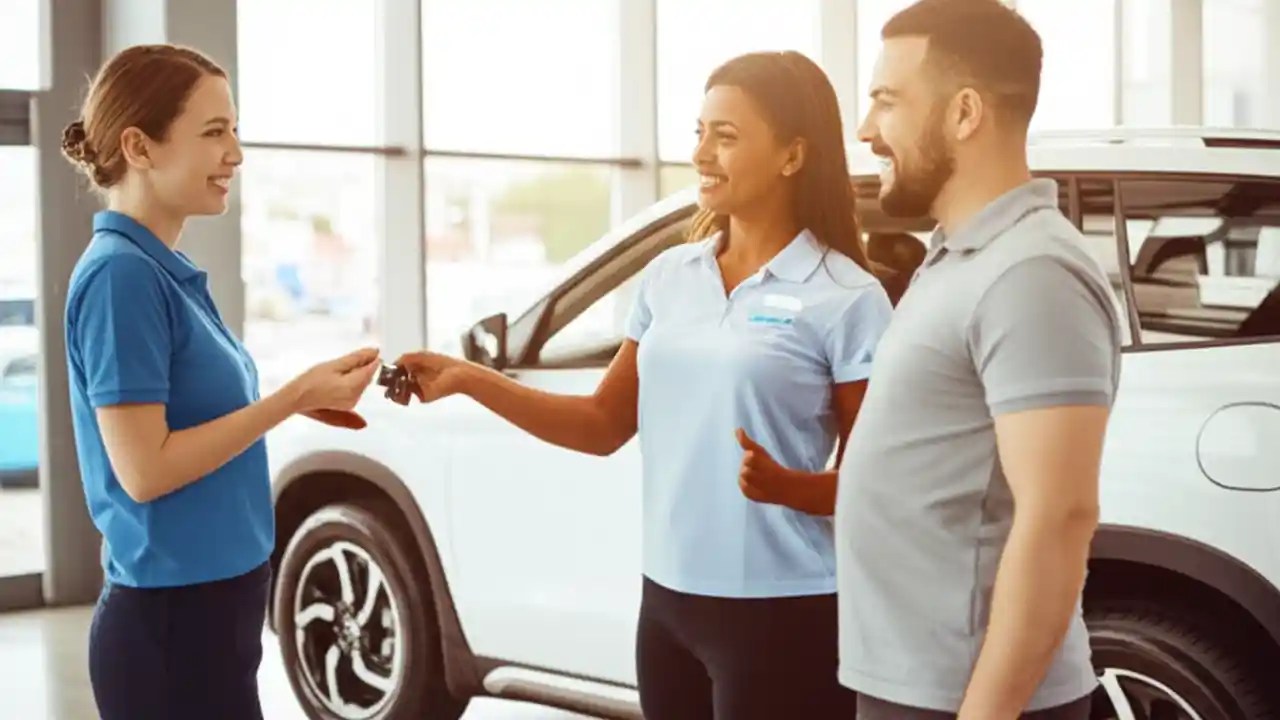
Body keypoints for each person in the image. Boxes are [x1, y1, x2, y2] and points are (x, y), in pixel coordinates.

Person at [395, 51, 893, 719]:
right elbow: (601, 425)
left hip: (786, 612)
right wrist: (468, 379)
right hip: (667, 609)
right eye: (700, 132)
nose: (702, 154)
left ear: (792, 155)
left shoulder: (847, 297)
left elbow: (881, 483)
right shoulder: (670, 276)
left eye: (726, 135)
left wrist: (791, 488)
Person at [60, 44, 380, 720]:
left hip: (212, 618)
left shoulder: (161, 270)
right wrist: (289, 400)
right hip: (171, 629)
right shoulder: (122, 277)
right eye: (214, 132)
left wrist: (298, 399)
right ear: (139, 147)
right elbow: (145, 470)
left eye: (233, 130)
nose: (234, 153)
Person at [835, 1, 1123, 719]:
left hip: (968, 698)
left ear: (964, 112)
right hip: (916, 684)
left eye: (887, 101)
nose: (866, 129)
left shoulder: (1032, 273)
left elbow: (1060, 516)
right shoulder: (963, 257)